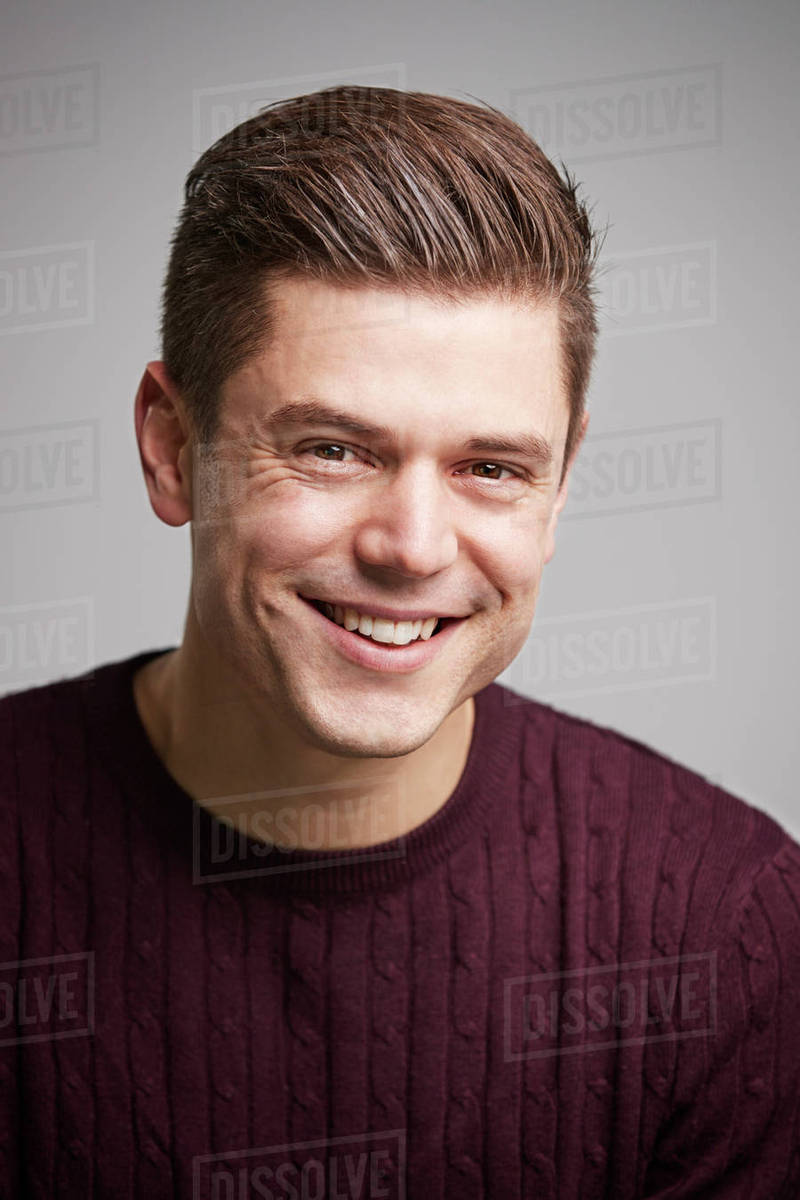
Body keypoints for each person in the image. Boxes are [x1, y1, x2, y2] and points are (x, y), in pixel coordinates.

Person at [1, 85, 798, 1199]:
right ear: (173, 449)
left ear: (559, 483)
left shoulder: (725, 927)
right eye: (332, 449)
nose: (413, 548)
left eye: (491, 469)